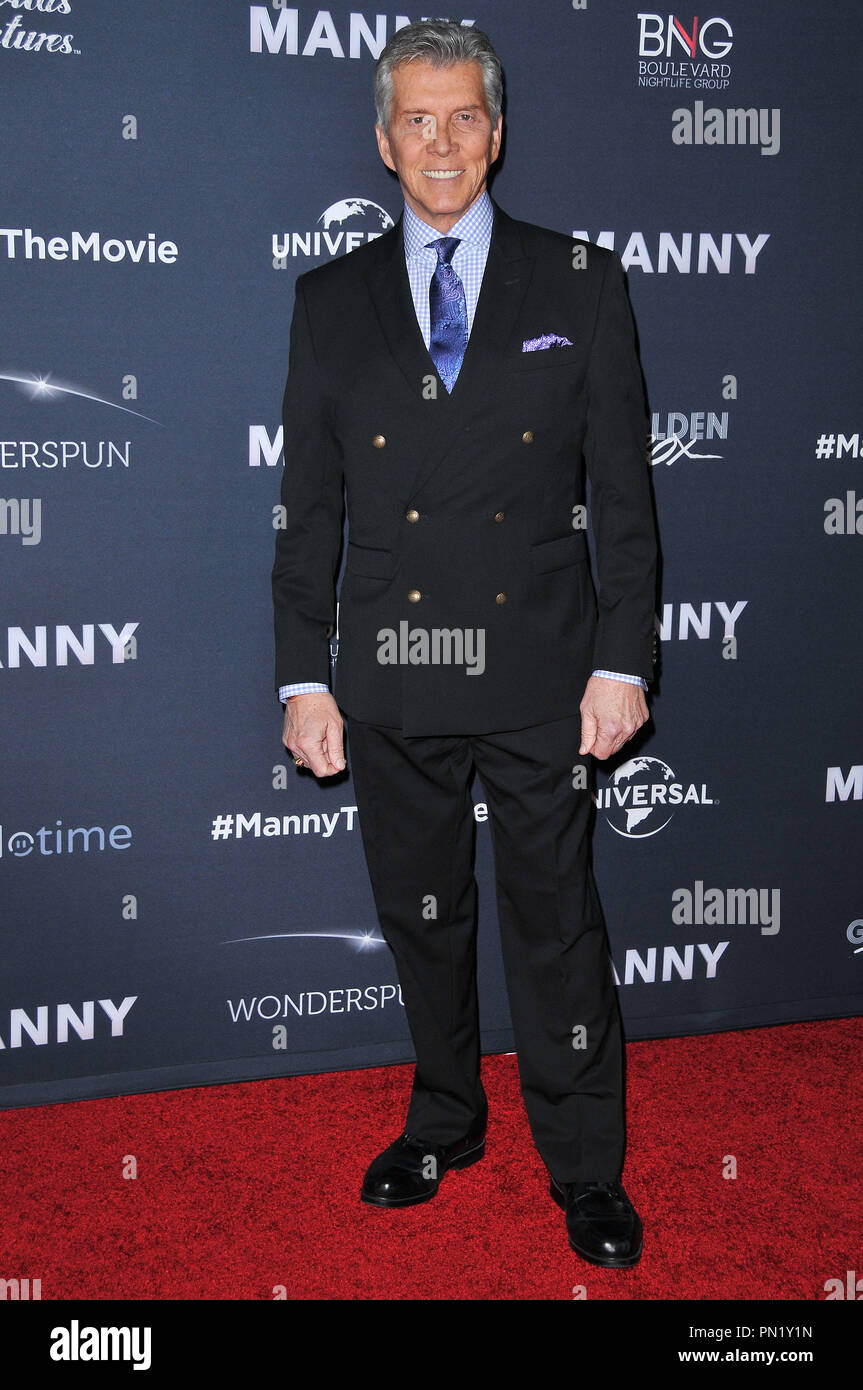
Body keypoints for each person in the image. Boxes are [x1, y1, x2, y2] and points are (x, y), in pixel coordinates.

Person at [272, 20, 658, 1267]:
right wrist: (300, 672)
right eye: (417, 122)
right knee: (423, 916)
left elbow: (627, 497)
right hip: (390, 672)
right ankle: (442, 1120)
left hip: (541, 663)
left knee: (555, 922)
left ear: (497, 133)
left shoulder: (582, 281)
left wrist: (623, 657)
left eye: (465, 118)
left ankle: (585, 1168)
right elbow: (309, 504)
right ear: (383, 143)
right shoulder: (328, 300)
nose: (442, 145)